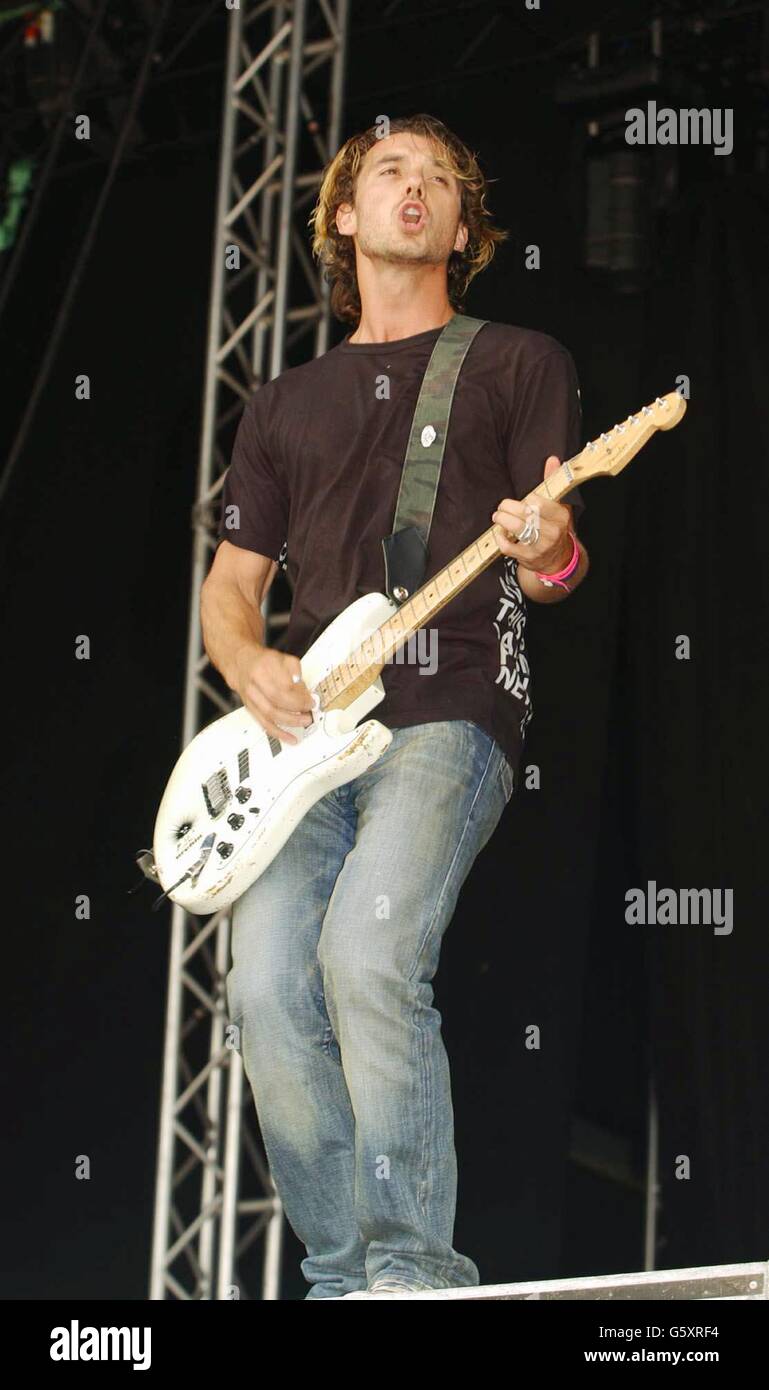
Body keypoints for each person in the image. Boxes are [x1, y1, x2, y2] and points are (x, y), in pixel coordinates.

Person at [200, 113, 590, 1300]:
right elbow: (230, 590)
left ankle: (417, 1275)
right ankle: (339, 1276)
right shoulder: (279, 405)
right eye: (387, 172)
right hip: (307, 729)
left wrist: (549, 537)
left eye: (437, 181)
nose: (412, 189)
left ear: (462, 229)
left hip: (451, 700)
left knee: (367, 950)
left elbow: (558, 564)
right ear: (343, 214)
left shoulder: (520, 361)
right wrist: (243, 663)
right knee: (267, 988)